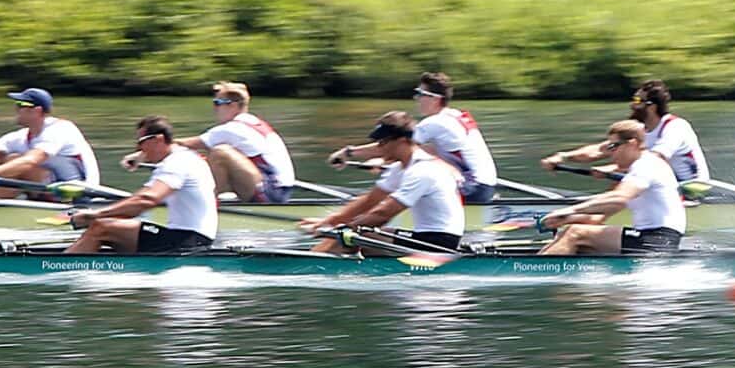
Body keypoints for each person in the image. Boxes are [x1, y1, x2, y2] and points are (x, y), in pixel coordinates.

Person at [303, 112, 464, 254]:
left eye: (382, 142)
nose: (379, 148)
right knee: (348, 234)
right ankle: (316, 258)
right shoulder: (400, 168)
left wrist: (340, 229)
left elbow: (383, 214)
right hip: (423, 236)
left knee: (353, 235)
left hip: (440, 242)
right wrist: (330, 222)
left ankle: (309, 264)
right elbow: (369, 201)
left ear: (402, 141)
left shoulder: (423, 171)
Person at [329, 72, 499, 203]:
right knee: (410, 169)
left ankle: (373, 209)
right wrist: (388, 162)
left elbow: (394, 144)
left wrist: (348, 152)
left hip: (473, 189)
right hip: (483, 185)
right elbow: (423, 150)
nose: (416, 98)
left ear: (435, 99)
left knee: (411, 185)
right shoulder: (454, 115)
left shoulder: (435, 123)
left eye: (420, 94)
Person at [68, 116, 219, 255]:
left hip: (187, 240)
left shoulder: (177, 163)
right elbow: (136, 207)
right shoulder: (185, 157)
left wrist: (94, 215)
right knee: (107, 226)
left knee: (101, 227)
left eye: (141, 142)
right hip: (188, 237)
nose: (139, 148)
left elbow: (146, 199)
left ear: (158, 139)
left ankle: (62, 267)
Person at [126, 82, 296, 204]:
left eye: (218, 103)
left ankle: (208, 203)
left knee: (220, 153)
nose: (214, 108)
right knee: (204, 160)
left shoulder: (232, 129)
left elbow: (174, 144)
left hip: (272, 193)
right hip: (278, 189)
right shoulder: (252, 121)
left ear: (234, 105)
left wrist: (141, 154)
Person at [539, 121, 686, 256]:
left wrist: (570, 210)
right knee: (572, 233)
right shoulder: (639, 170)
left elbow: (618, 198)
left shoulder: (646, 166)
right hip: (655, 238)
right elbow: (598, 216)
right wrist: (565, 219)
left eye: (613, 146)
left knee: (574, 233)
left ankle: (535, 270)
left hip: (656, 239)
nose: (610, 153)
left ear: (632, 144)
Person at [543, 79, 710, 187]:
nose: (632, 104)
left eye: (637, 101)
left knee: (622, 184)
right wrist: (563, 157)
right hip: (661, 187)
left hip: (691, 190)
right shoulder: (638, 131)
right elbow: (602, 149)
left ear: (651, 106)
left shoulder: (676, 127)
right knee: (622, 185)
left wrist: (615, 167)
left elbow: (656, 159)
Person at [0, 88, 102, 195]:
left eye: (21, 105)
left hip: (77, 194)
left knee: (16, 161)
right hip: (47, 189)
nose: (16, 109)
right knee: (6, 158)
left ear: (37, 111)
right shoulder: (20, 136)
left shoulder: (60, 129)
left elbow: (31, 161)